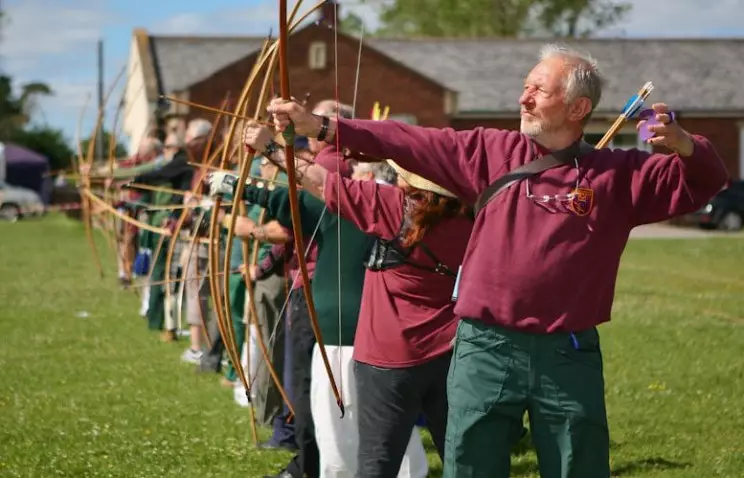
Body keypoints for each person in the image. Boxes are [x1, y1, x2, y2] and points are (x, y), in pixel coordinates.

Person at [267, 43, 730, 477]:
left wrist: (686, 145)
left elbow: (703, 182)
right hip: (483, 348)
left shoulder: (617, 174)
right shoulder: (490, 151)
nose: (523, 98)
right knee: (470, 460)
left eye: (538, 90)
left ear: (577, 108)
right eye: (526, 86)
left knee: (577, 462)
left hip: (566, 352)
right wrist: (323, 128)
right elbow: (406, 140)